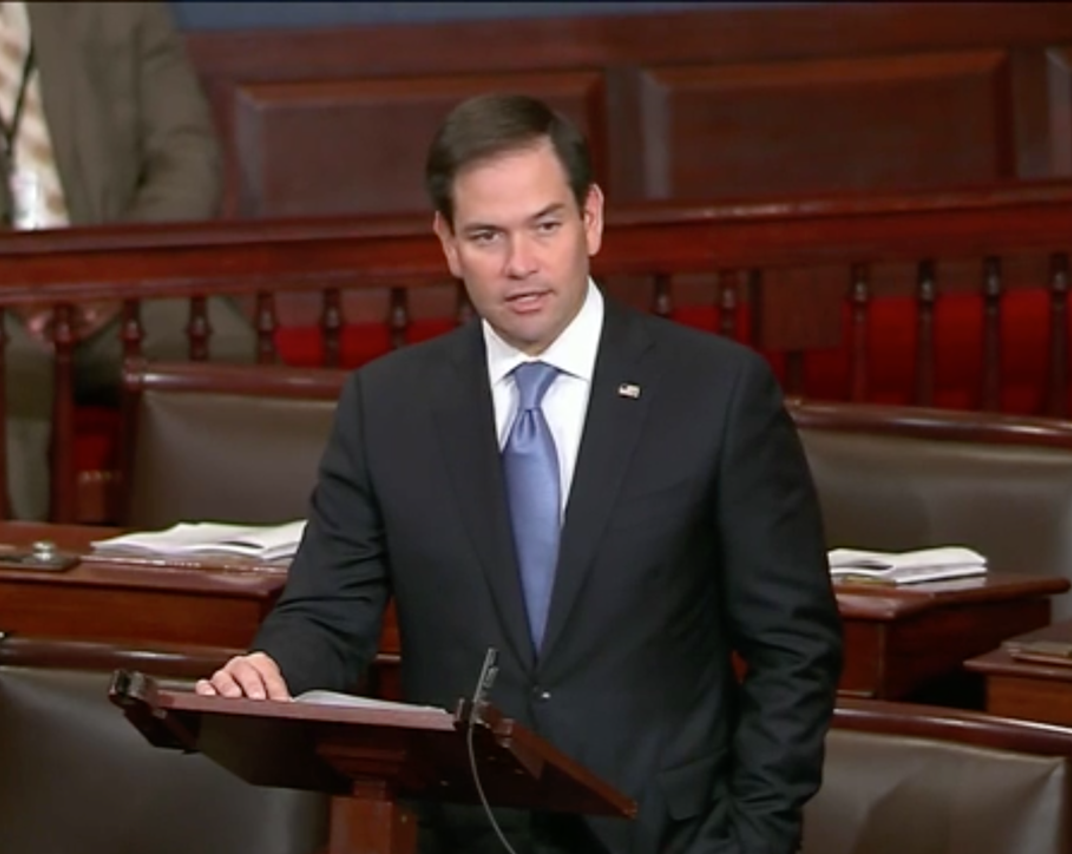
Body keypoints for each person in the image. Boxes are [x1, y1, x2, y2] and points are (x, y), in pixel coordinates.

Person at [199, 93, 843, 854]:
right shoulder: (390, 405)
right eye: (486, 235)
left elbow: (795, 646)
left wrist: (754, 839)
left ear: (591, 219)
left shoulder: (716, 393)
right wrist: (271, 668)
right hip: (468, 831)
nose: (521, 265)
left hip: (668, 835)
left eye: (545, 225)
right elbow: (329, 611)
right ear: (446, 243)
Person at [0, 1, 254, 520]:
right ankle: (9, 598)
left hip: (116, 288)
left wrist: (113, 271)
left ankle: (219, 590)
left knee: (218, 351)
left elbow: (186, 154)